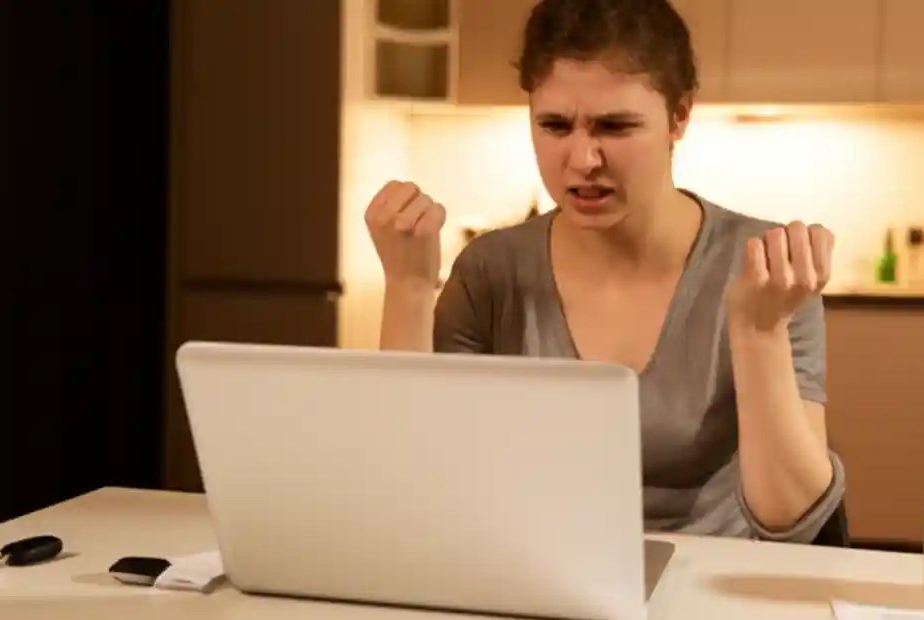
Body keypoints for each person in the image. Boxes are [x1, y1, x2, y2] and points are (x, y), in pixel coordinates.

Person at [362, 0, 845, 542]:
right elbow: (410, 487)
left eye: (614, 126)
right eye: (554, 125)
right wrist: (407, 289)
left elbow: (791, 517)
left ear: (679, 116)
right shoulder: (491, 271)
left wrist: (759, 332)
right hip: (533, 576)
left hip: (711, 586)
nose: (583, 159)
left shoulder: (762, 268)